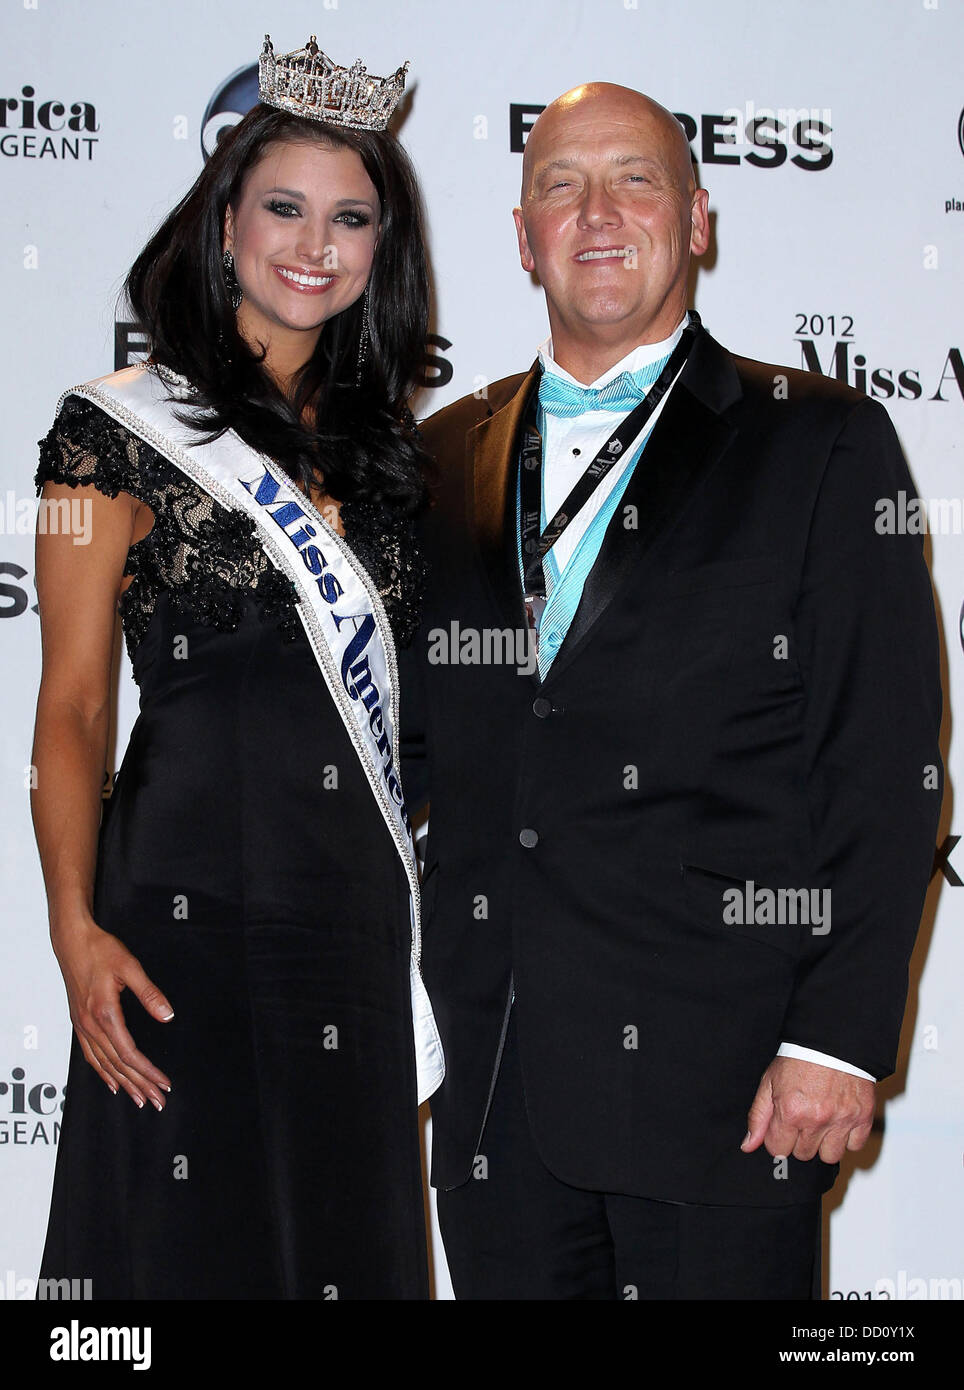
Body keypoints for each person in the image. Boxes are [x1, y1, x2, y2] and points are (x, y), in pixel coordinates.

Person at [411, 82, 942, 1299]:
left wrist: (834, 1039)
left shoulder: (820, 440)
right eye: (560, 185)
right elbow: (411, 756)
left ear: (697, 221)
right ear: (521, 233)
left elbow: (881, 765)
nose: (596, 211)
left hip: (729, 1089)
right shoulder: (439, 459)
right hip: (495, 1095)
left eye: (634, 179)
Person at [31, 34, 442, 1300]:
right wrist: (71, 928)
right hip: (180, 902)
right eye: (283, 207)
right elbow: (74, 708)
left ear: (382, 249)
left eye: (351, 217)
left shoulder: (397, 459)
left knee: (343, 1243)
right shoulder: (103, 432)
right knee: (171, 1254)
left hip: (353, 918)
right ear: (223, 223)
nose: (314, 243)